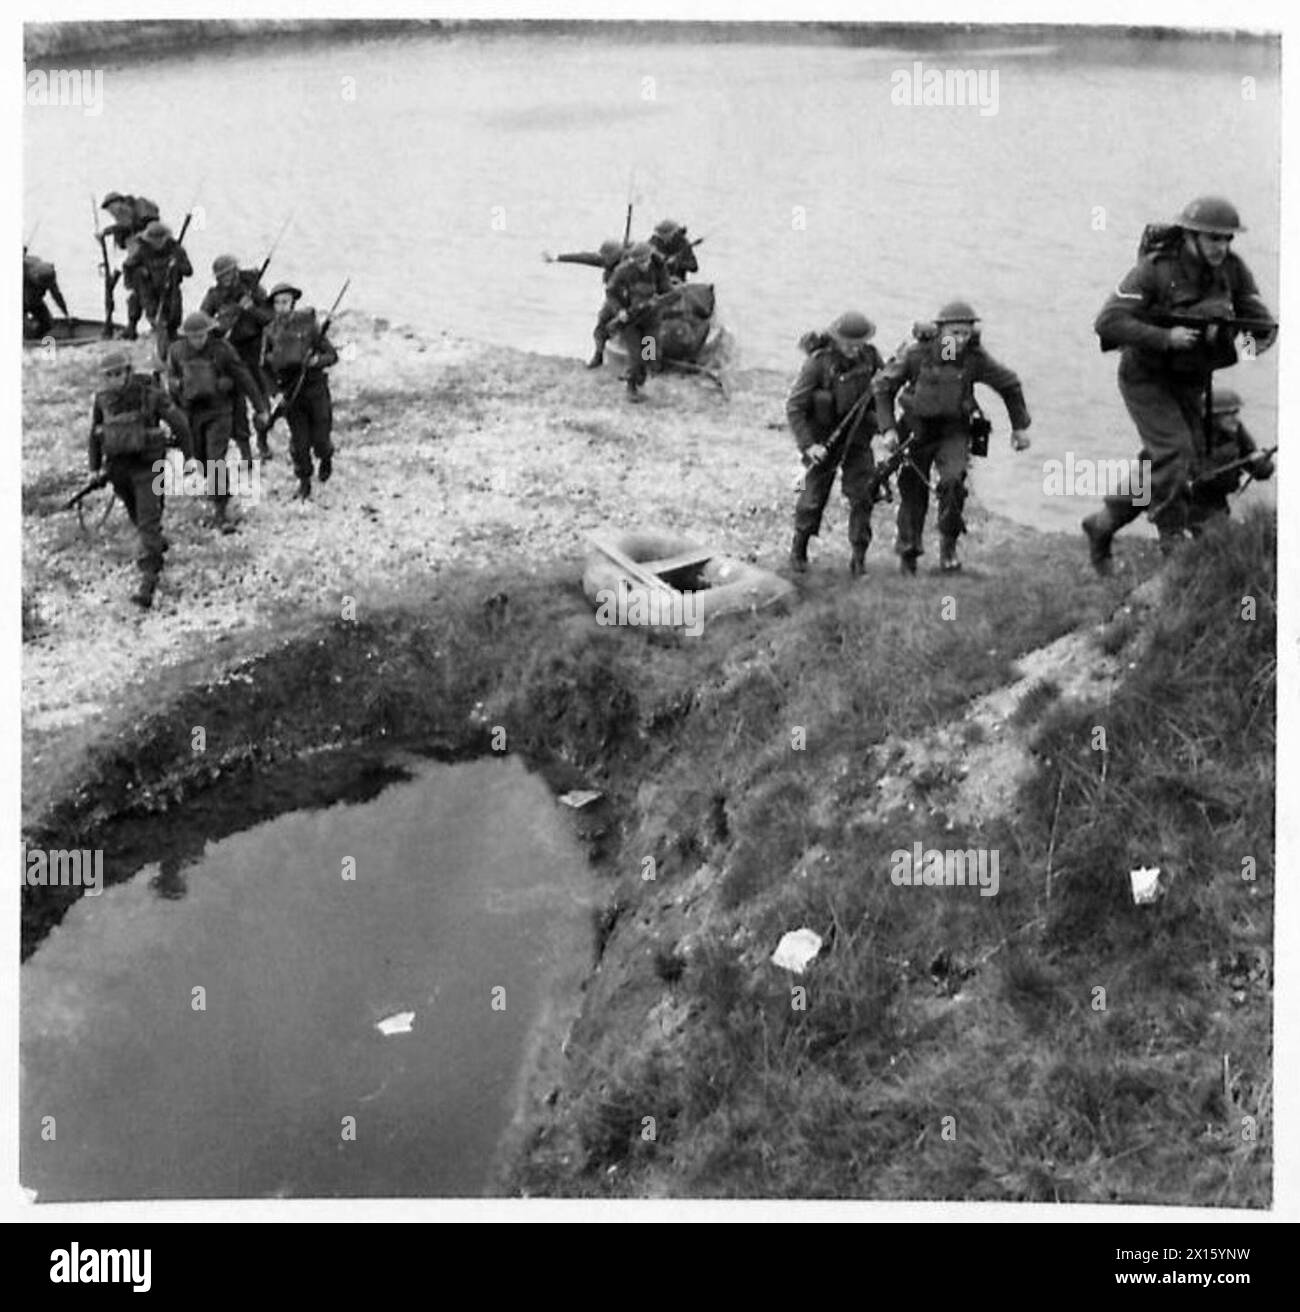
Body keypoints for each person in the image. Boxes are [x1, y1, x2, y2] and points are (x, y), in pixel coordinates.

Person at [1085, 195, 1277, 574]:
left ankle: (1105, 522)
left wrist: (1228, 348)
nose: (1221, 247)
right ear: (1190, 236)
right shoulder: (1154, 271)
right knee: (1175, 453)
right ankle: (1171, 541)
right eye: (1212, 239)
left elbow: (1263, 328)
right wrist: (1166, 338)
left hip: (1191, 380)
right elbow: (1107, 322)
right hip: (1146, 377)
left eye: (1227, 240)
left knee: (1173, 459)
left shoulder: (1234, 272)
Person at [873, 300, 1031, 574]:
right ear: (940, 330)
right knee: (912, 492)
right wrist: (887, 429)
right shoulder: (917, 354)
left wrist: (1019, 427)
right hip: (915, 430)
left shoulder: (973, 358)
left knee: (953, 484)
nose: (961, 339)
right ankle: (908, 554)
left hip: (954, 431)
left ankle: (948, 548)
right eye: (955, 333)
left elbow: (1009, 383)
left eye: (966, 333)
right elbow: (884, 386)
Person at [88, 350, 191, 609]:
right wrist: (94, 468)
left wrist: (189, 455)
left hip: (148, 466)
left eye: (118, 373)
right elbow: (95, 434)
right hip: (118, 469)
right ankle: (155, 542)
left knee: (147, 518)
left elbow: (179, 422)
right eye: (108, 375)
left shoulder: (150, 394)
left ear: (129, 372)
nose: (114, 379)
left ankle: (149, 578)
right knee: (138, 516)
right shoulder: (102, 400)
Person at [786, 311, 884, 576]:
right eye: (848, 343)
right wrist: (808, 446)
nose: (854, 349)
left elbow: (884, 395)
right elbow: (795, 407)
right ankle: (799, 549)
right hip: (822, 441)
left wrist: (885, 425)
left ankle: (859, 558)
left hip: (858, 439)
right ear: (836, 340)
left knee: (863, 496)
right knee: (811, 498)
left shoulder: (871, 358)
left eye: (859, 343)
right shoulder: (818, 364)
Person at [165, 311, 269, 532]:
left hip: (219, 412)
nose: (198, 340)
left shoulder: (222, 350)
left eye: (201, 335)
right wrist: (176, 388)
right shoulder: (176, 351)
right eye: (193, 336)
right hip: (191, 413)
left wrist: (260, 408)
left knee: (215, 458)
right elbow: (170, 379)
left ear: (208, 332)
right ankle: (222, 493)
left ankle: (221, 511)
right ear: (185, 336)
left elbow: (244, 377)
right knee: (201, 461)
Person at [262, 283, 338, 500]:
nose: (281, 307)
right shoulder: (269, 332)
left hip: (314, 388)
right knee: (300, 442)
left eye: (285, 302)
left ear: (293, 303)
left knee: (321, 437)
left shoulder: (309, 326)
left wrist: (317, 360)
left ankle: (326, 457)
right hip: (290, 392)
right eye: (277, 303)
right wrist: (274, 392)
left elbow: (331, 355)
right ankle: (304, 480)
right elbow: (264, 368)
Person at [201, 254, 274, 462]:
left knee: (260, 397)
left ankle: (262, 440)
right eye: (221, 276)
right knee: (236, 403)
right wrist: (225, 318)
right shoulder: (214, 296)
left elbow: (270, 318)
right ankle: (246, 453)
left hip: (254, 347)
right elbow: (203, 321)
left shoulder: (253, 289)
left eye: (229, 273)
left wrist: (251, 309)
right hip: (231, 350)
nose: (226, 279)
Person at [1186, 388, 1274, 535]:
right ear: (1212, 417)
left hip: (1214, 502)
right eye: (1228, 414)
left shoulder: (1236, 431)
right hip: (1182, 499)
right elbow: (1147, 461)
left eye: (1236, 412)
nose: (1235, 418)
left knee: (1220, 537)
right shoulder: (1188, 434)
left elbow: (1255, 465)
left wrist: (1262, 464)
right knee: (1135, 503)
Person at [543, 238, 627, 367]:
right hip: (614, 300)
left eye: (607, 257)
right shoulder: (608, 262)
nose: (604, 260)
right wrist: (558, 258)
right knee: (601, 329)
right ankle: (599, 356)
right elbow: (585, 257)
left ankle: (650, 360)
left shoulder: (631, 265)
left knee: (647, 333)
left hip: (634, 301)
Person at [605, 242, 671, 402]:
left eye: (644, 261)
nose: (642, 265)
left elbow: (666, 290)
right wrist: (619, 311)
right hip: (630, 320)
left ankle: (644, 381)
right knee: (635, 356)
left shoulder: (659, 267)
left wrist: (660, 299)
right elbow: (611, 292)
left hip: (651, 318)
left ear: (649, 258)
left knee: (650, 352)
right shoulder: (623, 271)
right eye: (638, 262)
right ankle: (632, 386)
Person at [122, 219, 192, 352]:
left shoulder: (175, 249)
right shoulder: (142, 250)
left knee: (173, 315)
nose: (157, 243)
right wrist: (134, 281)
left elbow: (188, 271)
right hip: (148, 288)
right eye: (153, 240)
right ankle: (139, 328)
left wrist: (176, 264)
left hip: (170, 288)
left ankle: (172, 335)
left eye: (160, 239)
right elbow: (128, 266)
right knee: (148, 309)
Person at [23, 251, 69, 337]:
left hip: (35, 302)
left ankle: (36, 338)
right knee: (26, 329)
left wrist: (66, 314)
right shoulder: (24, 269)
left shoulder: (49, 275)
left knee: (48, 325)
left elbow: (57, 296)